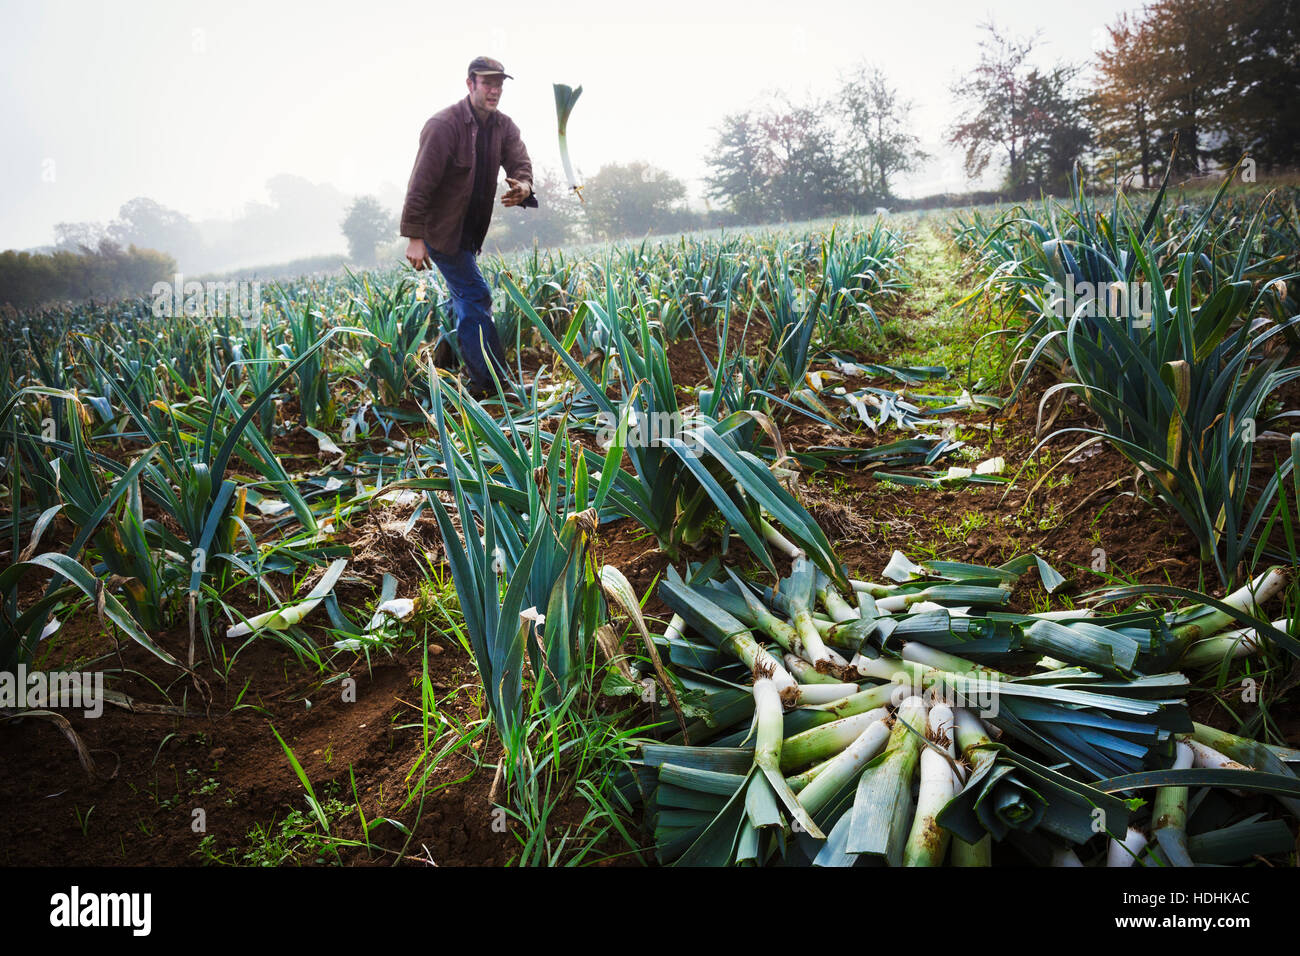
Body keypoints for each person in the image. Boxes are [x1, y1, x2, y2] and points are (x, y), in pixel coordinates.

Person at [400, 56, 538, 398]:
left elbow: (520, 162)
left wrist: (524, 186)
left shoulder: (503, 126)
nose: (494, 90)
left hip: (470, 231)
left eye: (499, 84)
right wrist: (415, 237)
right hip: (441, 232)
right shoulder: (443, 126)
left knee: (462, 300)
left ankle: (448, 359)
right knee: (476, 295)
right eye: (487, 83)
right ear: (470, 84)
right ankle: (488, 383)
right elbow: (420, 185)